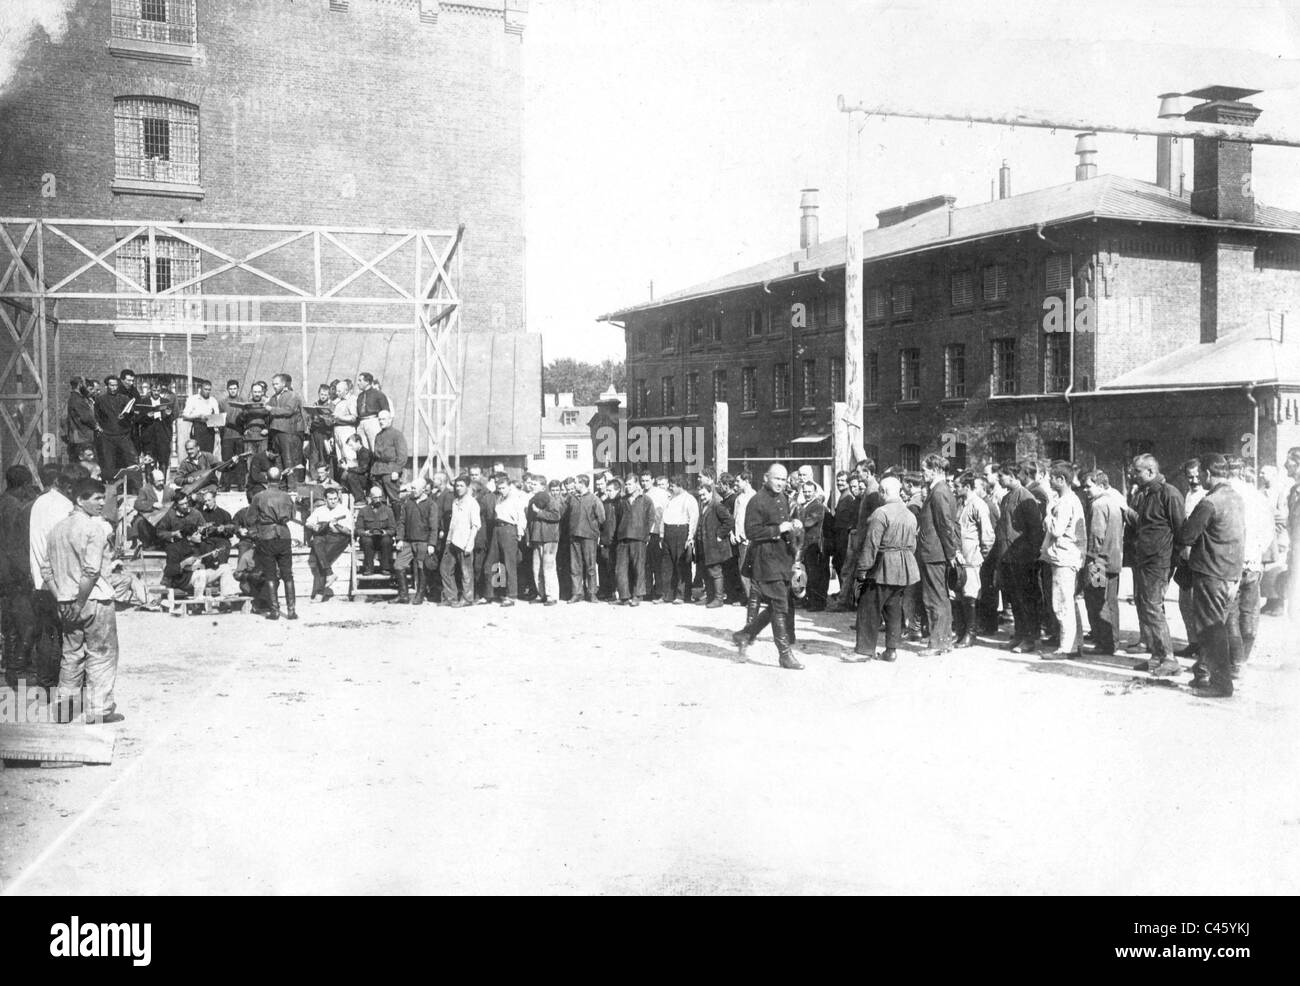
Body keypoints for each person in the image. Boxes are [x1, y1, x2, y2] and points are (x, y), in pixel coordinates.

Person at [39, 478, 122, 723]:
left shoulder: (57, 529)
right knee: (101, 654)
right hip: (94, 600)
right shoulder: (92, 528)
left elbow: (47, 571)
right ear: (79, 500)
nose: (101, 503)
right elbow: (91, 571)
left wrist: (64, 600)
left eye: (102, 498)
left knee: (71, 654)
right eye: (96, 498)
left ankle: (64, 709)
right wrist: (77, 601)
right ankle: (100, 710)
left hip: (66, 602)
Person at [1175, 454, 1244, 697]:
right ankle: (1203, 672)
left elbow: (1186, 536)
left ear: (1206, 474)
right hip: (1232, 574)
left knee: (1210, 630)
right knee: (1219, 626)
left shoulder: (1209, 502)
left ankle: (1221, 685)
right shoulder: (1236, 498)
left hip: (1210, 573)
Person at [731, 464, 801, 670]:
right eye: (777, 478)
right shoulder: (757, 501)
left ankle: (745, 634)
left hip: (782, 559)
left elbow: (784, 524)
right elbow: (751, 532)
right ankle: (785, 655)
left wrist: (792, 525)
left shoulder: (783, 498)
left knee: (777, 605)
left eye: (783, 479)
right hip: (765, 561)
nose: (780, 483)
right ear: (766, 478)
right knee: (780, 606)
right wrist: (777, 529)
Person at [1123, 453, 1186, 673]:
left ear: (1150, 471)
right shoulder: (1145, 493)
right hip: (1144, 560)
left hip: (1159, 562)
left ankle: (1169, 659)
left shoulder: (1169, 493)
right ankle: (1156, 657)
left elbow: (1181, 530)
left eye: (1137, 471)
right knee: (1145, 605)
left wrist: (1170, 559)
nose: (1133, 474)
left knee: (1152, 607)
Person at [848, 475, 919, 662]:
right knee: (893, 609)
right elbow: (913, 545)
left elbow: (871, 545)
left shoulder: (881, 513)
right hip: (903, 568)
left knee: (868, 608)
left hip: (881, 568)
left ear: (883, 492)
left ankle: (864, 651)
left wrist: (862, 570)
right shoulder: (910, 515)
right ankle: (891, 650)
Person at [1224, 455, 1270, 676]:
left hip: (1228, 562)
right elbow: (1268, 530)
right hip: (1253, 562)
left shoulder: (1221, 494)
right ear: (1242, 471)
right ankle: (1244, 657)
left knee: (1230, 613)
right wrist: (1258, 550)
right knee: (1250, 612)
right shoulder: (1257, 496)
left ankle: (1236, 662)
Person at [0, 465, 44, 688]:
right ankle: (16, 671)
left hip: (5, 575)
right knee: (26, 624)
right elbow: (13, 546)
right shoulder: (15, 508)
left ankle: (11, 669)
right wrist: (27, 573)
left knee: (10, 625)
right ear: (25, 485)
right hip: (13, 575)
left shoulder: (3, 501)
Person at [995, 461, 1044, 653]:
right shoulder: (1007, 497)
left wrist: (1029, 558)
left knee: (1026, 600)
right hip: (1008, 558)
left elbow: (1035, 531)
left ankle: (1029, 639)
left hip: (1022, 560)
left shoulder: (1026, 497)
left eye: (1002, 475)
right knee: (1015, 599)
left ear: (1013, 476)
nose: (999, 479)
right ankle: (1019, 635)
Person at [1039, 463, 1087, 659]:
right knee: (1069, 602)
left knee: (1062, 603)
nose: (1049, 481)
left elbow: (1057, 530)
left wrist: (1048, 515)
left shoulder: (1066, 502)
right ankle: (1075, 644)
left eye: (1052, 477)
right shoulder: (1068, 499)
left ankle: (1066, 648)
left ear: (1061, 480)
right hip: (1067, 556)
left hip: (1064, 557)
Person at [915, 453, 960, 655]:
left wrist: (951, 553)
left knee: (934, 597)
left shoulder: (939, 491)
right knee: (938, 596)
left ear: (935, 470)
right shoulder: (939, 490)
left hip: (934, 554)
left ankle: (938, 643)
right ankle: (944, 640)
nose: (922, 474)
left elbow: (945, 525)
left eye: (925, 470)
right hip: (933, 552)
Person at [1080, 469, 1124, 656]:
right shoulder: (1114, 501)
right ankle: (1112, 642)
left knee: (1097, 601)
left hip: (1098, 563)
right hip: (1113, 560)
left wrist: (1091, 560)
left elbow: (1096, 536)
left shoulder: (1098, 505)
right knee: (1111, 601)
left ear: (1100, 485)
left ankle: (1103, 643)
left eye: (1088, 486)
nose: (1085, 490)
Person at [248, 467, 298, 620]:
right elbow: (292, 515)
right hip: (283, 535)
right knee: (287, 575)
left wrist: (256, 532)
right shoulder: (287, 496)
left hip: (266, 536)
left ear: (266, 479)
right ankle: (291, 611)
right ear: (280, 479)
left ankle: (275, 611)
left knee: (270, 575)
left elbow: (250, 519)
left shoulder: (259, 496)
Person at [953, 472, 994, 647]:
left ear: (967, 487)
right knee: (959, 595)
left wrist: (980, 555)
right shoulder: (960, 504)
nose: (955, 489)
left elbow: (988, 535)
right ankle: (961, 631)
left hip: (972, 558)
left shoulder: (979, 505)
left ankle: (971, 633)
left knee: (970, 595)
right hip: (960, 558)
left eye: (957, 486)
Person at [1173, 458, 1207, 658]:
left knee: (1198, 602)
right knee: (1184, 600)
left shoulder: (1206, 495)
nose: (1194, 480)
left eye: (1197, 476)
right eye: (1190, 476)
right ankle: (1193, 641)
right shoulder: (1188, 494)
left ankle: (1202, 645)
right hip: (1185, 556)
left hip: (1199, 555)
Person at [393, 480, 439, 605]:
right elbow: (401, 522)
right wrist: (400, 539)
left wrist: (431, 544)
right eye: (411, 488)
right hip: (408, 541)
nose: (412, 491)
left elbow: (434, 526)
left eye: (414, 488)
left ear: (423, 489)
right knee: (398, 565)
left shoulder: (431, 505)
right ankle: (403, 595)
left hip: (423, 543)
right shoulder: (408, 503)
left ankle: (420, 594)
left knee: (421, 568)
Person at [440, 475, 482, 607]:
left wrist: (470, 544)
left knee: (466, 572)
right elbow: (453, 523)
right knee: (445, 569)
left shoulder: (472, 503)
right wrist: (448, 540)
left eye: (461, 486)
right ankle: (450, 597)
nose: (458, 488)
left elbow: (476, 525)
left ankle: (467, 599)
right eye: (456, 486)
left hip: (464, 543)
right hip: (452, 541)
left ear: (467, 487)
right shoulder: (455, 502)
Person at [657, 474, 700, 604]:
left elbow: (693, 519)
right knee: (667, 565)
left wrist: (690, 537)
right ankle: (667, 594)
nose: (670, 488)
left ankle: (682, 595)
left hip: (681, 531)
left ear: (680, 486)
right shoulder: (669, 499)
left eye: (673, 486)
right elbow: (664, 517)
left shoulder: (689, 499)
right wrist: (662, 535)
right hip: (668, 532)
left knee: (681, 564)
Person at [305, 487, 353, 602]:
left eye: (335, 498)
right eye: (330, 499)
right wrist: (314, 526)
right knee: (316, 540)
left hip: (339, 538)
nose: (333, 501)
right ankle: (330, 574)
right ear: (325, 499)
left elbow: (349, 531)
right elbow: (308, 522)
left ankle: (319, 593)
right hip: (324, 536)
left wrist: (337, 525)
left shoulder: (344, 510)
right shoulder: (320, 510)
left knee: (321, 558)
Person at [488, 471, 527, 605]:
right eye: (499, 488)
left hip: (509, 529)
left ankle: (512, 595)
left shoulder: (515, 498)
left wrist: (520, 533)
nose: (501, 490)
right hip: (497, 529)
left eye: (503, 488)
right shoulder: (499, 498)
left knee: (509, 563)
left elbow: (521, 517)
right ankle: (496, 592)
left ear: (509, 486)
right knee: (494, 562)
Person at [615, 476, 655, 606]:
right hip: (623, 538)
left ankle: (637, 595)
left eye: (630, 484)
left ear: (637, 484)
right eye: (626, 484)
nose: (627, 486)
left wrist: (645, 534)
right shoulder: (622, 500)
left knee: (638, 568)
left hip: (638, 539)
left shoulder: (646, 500)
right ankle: (624, 596)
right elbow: (617, 517)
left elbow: (650, 518)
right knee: (621, 568)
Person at [695, 474, 734, 608]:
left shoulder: (717, 505)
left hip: (714, 546)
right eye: (700, 495)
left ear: (710, 492)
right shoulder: (704, 505)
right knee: (707, 571)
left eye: (704, 495)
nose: (702, 497)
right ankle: (710, 597)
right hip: (704, 545)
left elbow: (729, 521)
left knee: (715, 572)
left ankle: (718, 599)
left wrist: (719, 535)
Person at [564, 474, 604, 603]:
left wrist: (593, 529)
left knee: (590, 566)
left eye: (576, 482)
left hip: (589, 537)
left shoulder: (594, 499)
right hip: (574, 536)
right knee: (575, 566)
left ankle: (592, 593)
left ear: (582, 483)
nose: (574, 485)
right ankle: (577, 593)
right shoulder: (571, 498)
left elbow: (601, 518)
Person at [525, 473, 562, 604]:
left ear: (542, 486)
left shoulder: (550, 499)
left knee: (548, 567)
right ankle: (541, 595)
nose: (531, 486)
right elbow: (529, 521)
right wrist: (529, 537)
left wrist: (539, 512)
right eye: (531, 484)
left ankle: (552, 596)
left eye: (534, 484)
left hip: (549, 538)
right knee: (537, 568)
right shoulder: (532, 499)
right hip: (537, 537)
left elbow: (556, 516)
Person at [795, 479, 829, 611]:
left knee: (815, 574)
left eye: (809, 491)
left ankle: (817, 603)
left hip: (814, 544)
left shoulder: (818, 506)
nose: (807, 494)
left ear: (815, 492)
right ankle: (808, 600)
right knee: (807, 573)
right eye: (805, 492)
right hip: (805, 543)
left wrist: (797, 520)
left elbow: (809, 522)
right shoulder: (804, 505)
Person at [267, 373, 305, 487]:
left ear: (283, 384)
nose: (274, 386)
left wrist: (272, 409)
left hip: (286, 431)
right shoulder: (273, 397)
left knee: (288, 459)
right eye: (273, 384)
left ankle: (292, 485)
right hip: (275, 431)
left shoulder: (292, 395)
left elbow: (289, 410)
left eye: (277, 384)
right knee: (278, 459)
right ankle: (282, 485)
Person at [93, 375, 135, 478]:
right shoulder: (100, 400)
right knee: (109, 462)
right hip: (107, 437)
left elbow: (132, 414)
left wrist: (125, 416)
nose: (114, 388)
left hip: (123, 435)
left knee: (130, 460)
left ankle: (133, 487)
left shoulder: (124, 398)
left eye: (116, 385)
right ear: (107, 386)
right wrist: (100, 428)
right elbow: (97, 416)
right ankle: (111, 486)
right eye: (111, 385)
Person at [130, 379, 173, 467]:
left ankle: (162, 480)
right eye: (154, 390)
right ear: (150, 390)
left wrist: (168, 415)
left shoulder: (165, 402)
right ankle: (150, 480)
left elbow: (170, 420)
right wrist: (147, 416)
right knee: (149, 462)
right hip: (149, 437)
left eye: (158, 390)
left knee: (163, 462)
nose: (156, 393)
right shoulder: (144, 402)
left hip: (162, 436)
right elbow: (138, 419)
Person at [356, 486, 397, 576]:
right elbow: (358, 529)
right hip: (369, 539)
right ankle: (369, 568)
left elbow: (393, 529)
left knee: (387, 540)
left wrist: (385, 532)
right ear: (370, 497)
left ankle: (385, 568)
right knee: (367, 540)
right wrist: (365, 533)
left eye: (380, 497)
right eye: (375, 497)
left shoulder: (388, 510)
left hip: (382, 539)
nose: (378, 500)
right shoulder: (363, 511)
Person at [370, 408, 408, 504]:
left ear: (390, 420)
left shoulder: (397, 435)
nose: (381, 422)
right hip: (377, 471)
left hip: (390, 471)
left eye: (383, 419)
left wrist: (397, 470)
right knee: (378, 499)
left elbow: (402, 455)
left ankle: (398, 519)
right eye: (379, 419)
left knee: (394, 499)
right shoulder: (378, 436)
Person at [236, 381, 274, 465]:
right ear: (252, 392)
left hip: (262, 438)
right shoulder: (247, 404)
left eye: (259, 392)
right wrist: (244, 430)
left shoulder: (266, 404)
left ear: (262, 392)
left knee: (263, 463)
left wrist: (268, 430)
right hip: (249, 438)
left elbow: (272, 419)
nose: (257, 394)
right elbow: (239, 421)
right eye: (255, 392)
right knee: (250, 463)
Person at [181, 380, 222, 455]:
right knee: (197, 452)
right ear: (201, 389)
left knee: (209, 453)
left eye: (209, 390)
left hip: (210, 429)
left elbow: (217, 415)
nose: (207, 391)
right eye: (205, 389)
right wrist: (198, 416)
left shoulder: (213, 400)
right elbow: (184, 415)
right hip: (197, 427)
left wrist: (217, 421)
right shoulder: (193, 399)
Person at [218, 379, 245, 491]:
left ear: (238, 389)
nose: (233, 391)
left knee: (240, 461)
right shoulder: (222, 403)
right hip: (227, 436)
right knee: (227, 461)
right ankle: (226, 485)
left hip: (239, 436)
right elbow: (219, 419)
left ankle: (241, 485)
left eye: (235, 389)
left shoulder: (243, 402)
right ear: (227, 390)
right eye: (231, 389)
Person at [64, 376, 99, 464]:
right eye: (84, 385)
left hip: (78, 437)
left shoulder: (73, 398)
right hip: (83, 437)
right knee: (86, 463)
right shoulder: (78, 400)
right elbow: (87, 417)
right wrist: (96, 426)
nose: (86, 388)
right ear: (80, 385)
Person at [331, 378, 359, 474]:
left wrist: (339, 417)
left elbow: (353, 417)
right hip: (337, 430)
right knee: (341, 459)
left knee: (349, 456)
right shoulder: (337, 401)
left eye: (339, 391)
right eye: (336, 390)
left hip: (347, 430)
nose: (337, 393)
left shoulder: (352, 399)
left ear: (346, 390)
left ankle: (352, 480)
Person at [355, 372, 390, 450]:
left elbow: (386, 411)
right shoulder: (360, 396)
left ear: (367, 382)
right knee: (363, 450)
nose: (357, 383)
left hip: (373, 422)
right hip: (361, 424)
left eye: (360, 380)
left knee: (375, 448)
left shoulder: (378, 394)